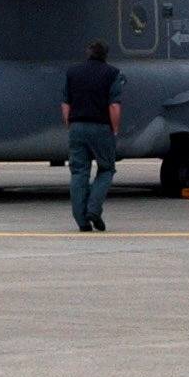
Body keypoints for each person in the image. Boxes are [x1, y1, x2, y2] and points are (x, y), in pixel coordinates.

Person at [62, 39, 122, 232]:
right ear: (105, 54)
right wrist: (114, 129)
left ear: (88, 52)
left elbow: (65, 105)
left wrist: (71, 125)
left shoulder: (72, 72)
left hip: (77, 126)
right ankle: (94, 209)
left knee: (79, 172)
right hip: (101, 127)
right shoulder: (112, 73)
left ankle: (81, 221)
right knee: (106, 169)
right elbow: (114, 105)